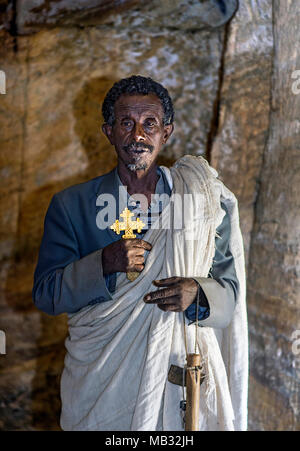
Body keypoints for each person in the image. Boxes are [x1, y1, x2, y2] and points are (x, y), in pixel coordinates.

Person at [32, 75, 248, 431]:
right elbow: (46, 294)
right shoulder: (71, 205)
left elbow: (229, 293)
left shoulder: (200, 202)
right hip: (101, 389)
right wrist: (103, 264)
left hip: (178, 384)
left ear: (167, 132)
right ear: (109, 132)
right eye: (126, 124)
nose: (137, 136)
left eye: (149, 124)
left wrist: (199, 294)